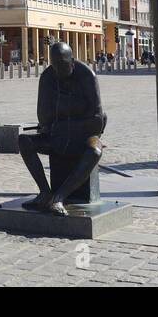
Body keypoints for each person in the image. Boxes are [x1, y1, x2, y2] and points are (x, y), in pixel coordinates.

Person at [17, 42, 106, 216]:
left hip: (83, 135)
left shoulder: (87, 76)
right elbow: (43, 117)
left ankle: (59, 197)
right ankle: (45, 192)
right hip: (57, 136)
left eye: (63, 65)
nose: (60, 71)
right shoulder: (48, 78)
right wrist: (48, 127)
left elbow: (97, 120)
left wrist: (68, 126)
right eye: (55, 66)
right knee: (24, 141)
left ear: (72, 61)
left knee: (94, 151)